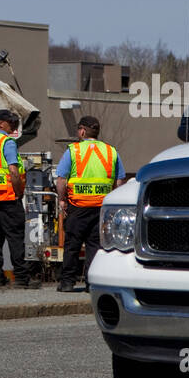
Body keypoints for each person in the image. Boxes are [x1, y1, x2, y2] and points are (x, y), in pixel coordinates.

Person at [55, 116, 126, 292]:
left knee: (72, 244)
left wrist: (62, 199)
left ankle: (67, 283)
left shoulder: (73, 151)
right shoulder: (111, 151)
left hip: (78, 206)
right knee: (95, 246)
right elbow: (119, 181)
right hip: (101, 208)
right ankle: (91, 283)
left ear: (82, 131)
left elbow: (62, 180)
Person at [0, 110, 41, 289]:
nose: (14, 125)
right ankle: (22, 278)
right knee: (15, 238)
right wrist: (19, 192)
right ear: (1, 124)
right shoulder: (7, 142)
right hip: (9, 197)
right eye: (11, 122)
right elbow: (14, 172)